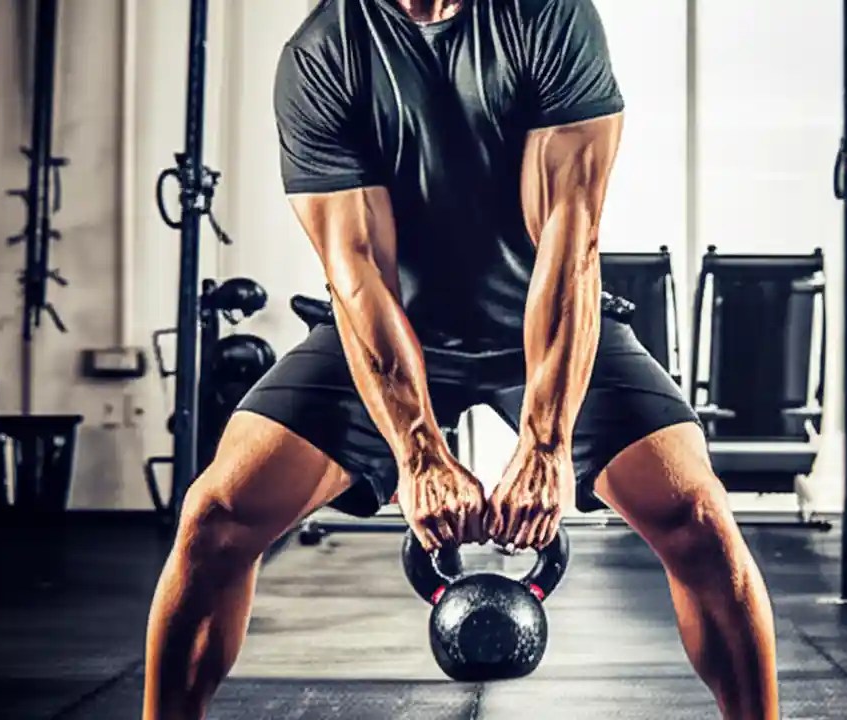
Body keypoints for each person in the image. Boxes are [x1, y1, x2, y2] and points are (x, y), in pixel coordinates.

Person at [142, 1, 779, 718]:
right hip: (394, 324)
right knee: (216, 516)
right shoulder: (326, 51)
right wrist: (418, 456)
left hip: (542, 315)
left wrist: (546, 442)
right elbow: (357, 272)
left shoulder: (545, 16)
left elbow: (571, 240)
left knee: (696, 514)